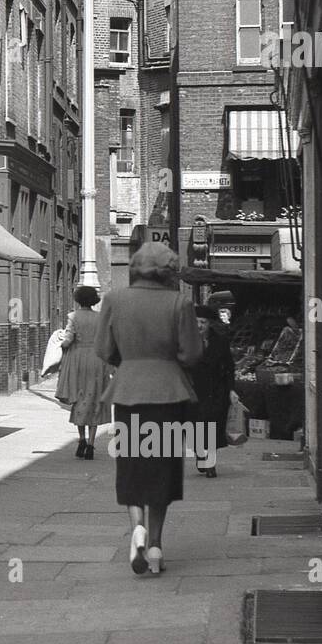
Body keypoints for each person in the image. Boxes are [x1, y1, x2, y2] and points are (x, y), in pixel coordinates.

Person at [95, 242, 204, 575]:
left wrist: (128, 362)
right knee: (162, 470)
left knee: (132, 467)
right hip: (169, 393)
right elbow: (191, 355)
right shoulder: (179, 302)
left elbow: (103, 348)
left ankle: (137, 529)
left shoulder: (114, 300)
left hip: (128, 391)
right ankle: (156, 544)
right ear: (168, 271)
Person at [55, 285, 111, 459]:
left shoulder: (73, 317)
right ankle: (92, 445)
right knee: (94, 399)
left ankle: (81, 440)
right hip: (96, 360)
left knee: (79, 398)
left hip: (78, 360)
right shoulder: (100, 318)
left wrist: (60, 342)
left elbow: (68, 340)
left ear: (78, 299)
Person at [188, 302, 234, 477]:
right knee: (196, 425)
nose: (199, 326)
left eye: (203, 322)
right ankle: (201, 454)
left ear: (210, 324)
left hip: (216, 390)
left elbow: (229, 366)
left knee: (214, 425)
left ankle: (211, 463)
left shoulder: (221, 341)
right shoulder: (186, 342)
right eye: (196, 322)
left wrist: (231, 389)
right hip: (193, 389)